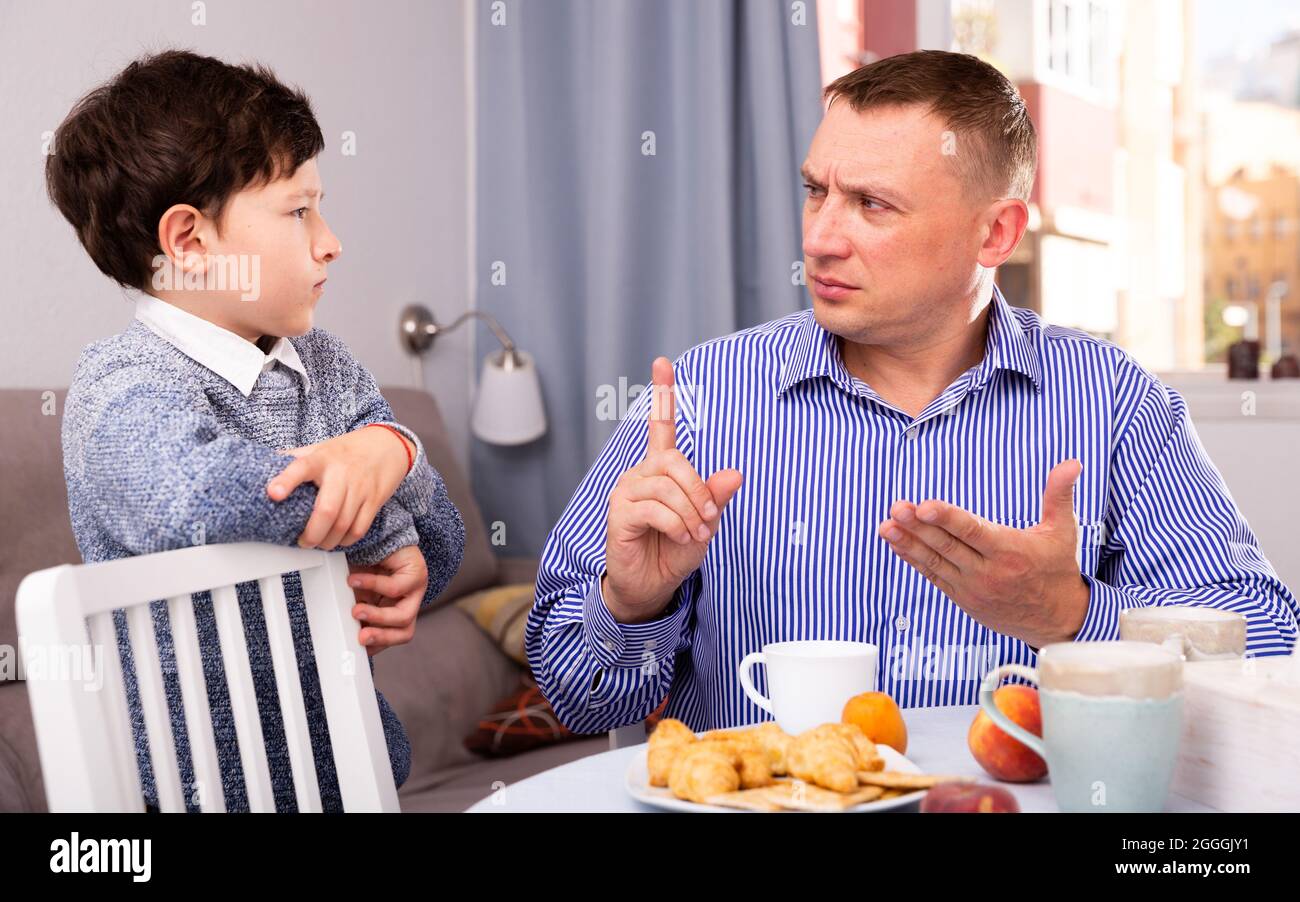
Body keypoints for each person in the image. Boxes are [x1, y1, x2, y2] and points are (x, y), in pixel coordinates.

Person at [527, 50, 1299, 735]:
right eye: (815, 192)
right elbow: (575, 699)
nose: (820, 237)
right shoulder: (699, 398)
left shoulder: (1117, 405)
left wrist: (1071, 616)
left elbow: (1266, 650)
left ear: (996, 234)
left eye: (872, 204)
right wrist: (631, 604)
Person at [49, 50, 465, 811]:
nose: (330, 239)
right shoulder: (120, 391)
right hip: (197, 796)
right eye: (298, 210)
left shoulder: (326, 365)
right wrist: (375, 484)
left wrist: (390, 449)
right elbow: (210, 500)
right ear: (190, 242)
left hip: (356, 774)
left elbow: (440, 546)